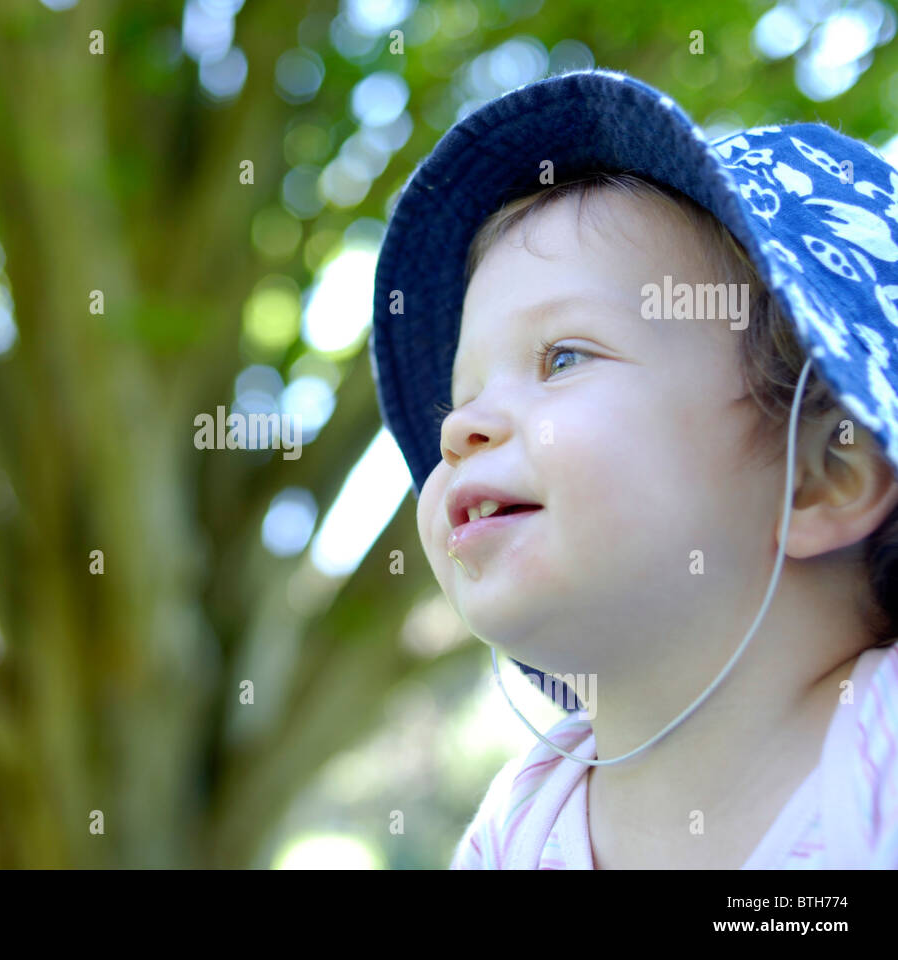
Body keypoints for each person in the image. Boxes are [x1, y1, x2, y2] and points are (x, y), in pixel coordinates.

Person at [370, 69, 898, 868]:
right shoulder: (517, 830)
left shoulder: (881, 754)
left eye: (563, 357)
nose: (460, 430)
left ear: (823, 472)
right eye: (462, 396)